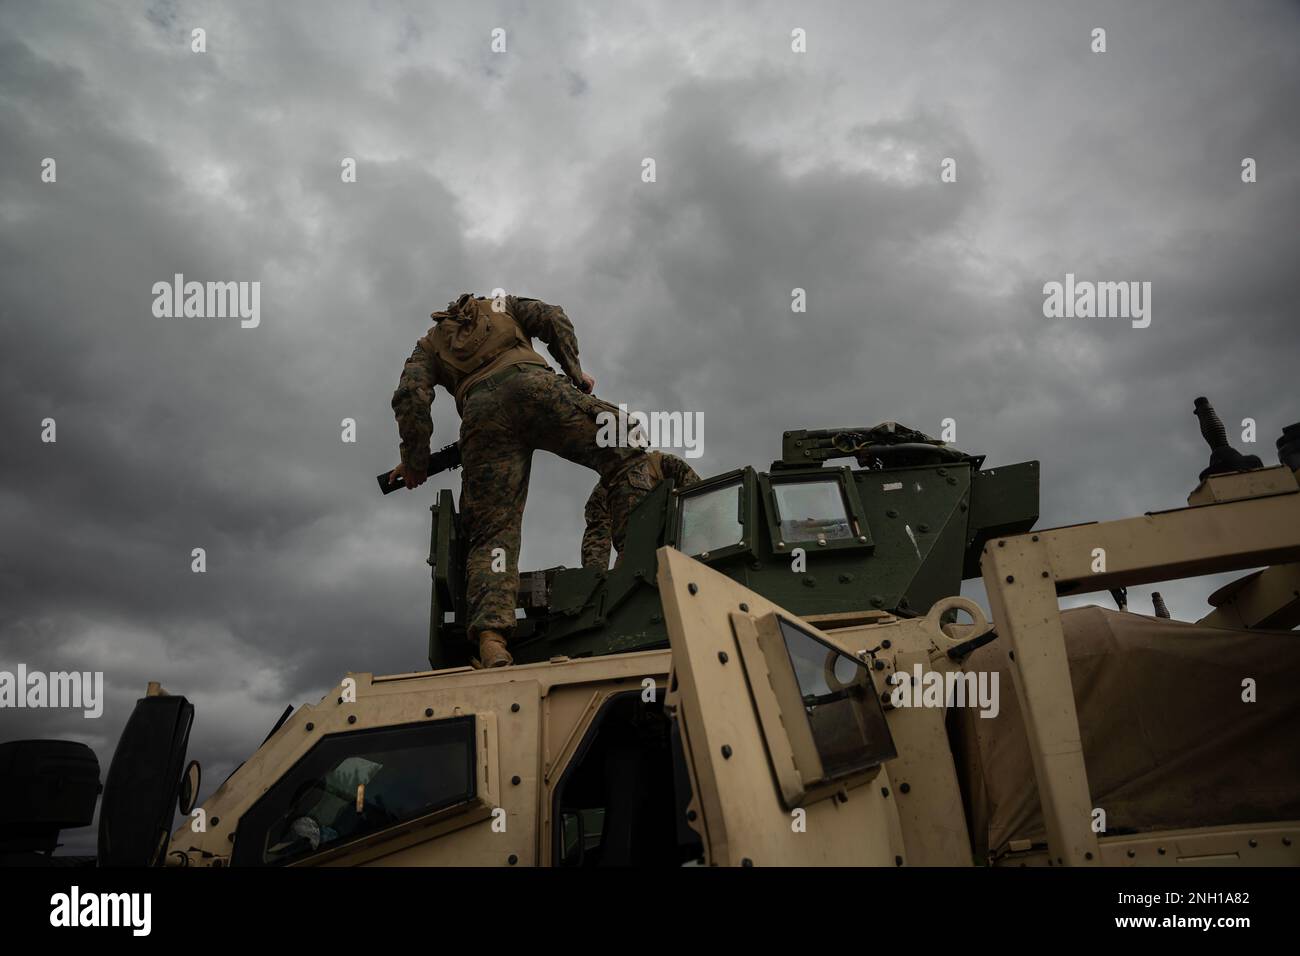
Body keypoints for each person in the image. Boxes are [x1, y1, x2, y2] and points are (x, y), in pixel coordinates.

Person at [390, 292, 653, 667]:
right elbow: (553, 317)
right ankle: (634, 565)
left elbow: (410, 395)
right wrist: (575, 372)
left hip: (482, 420)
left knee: (493, 533)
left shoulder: (428, 344)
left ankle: (492, 638)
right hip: (536, 388)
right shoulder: (503, 305)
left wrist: (414, 460)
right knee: (626, 444)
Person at [582, 451, 700, 570]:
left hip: (677, 552)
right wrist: (595, 576)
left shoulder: (662, 463)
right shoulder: (604, 489)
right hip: (631, 562)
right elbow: (597, 536)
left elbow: (700, 499)